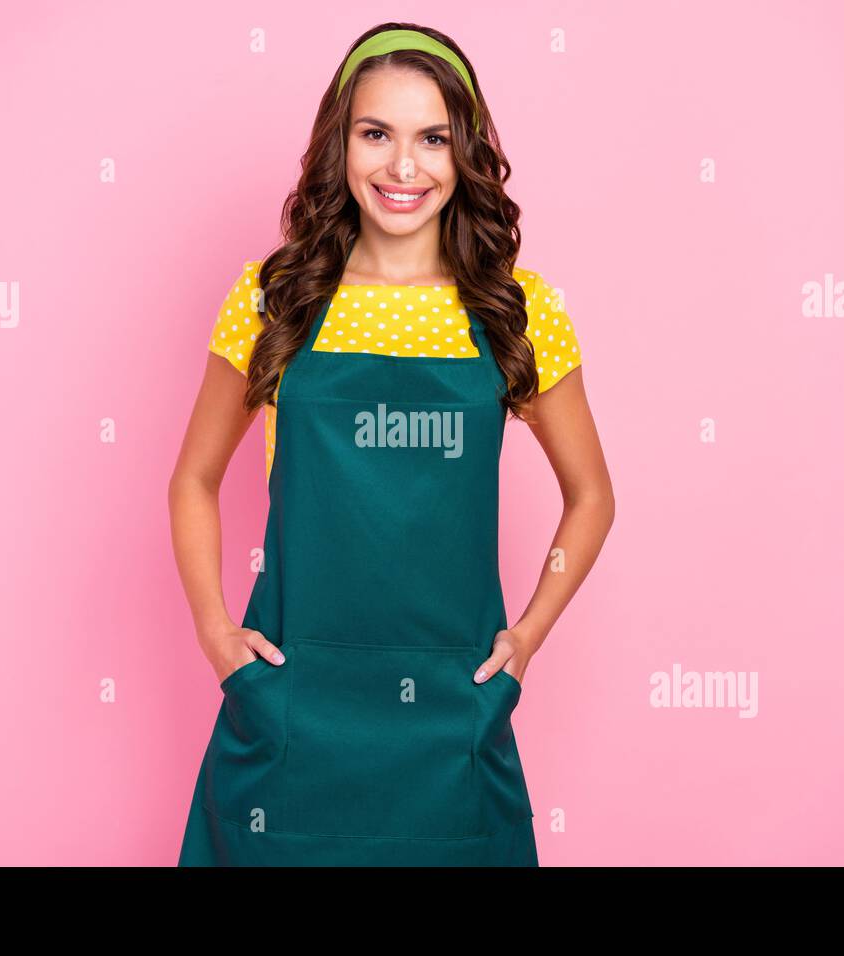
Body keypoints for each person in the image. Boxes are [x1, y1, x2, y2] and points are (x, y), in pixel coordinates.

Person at [169, 22, 614, 866]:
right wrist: (219, 638)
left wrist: (525, 641)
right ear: (340, 143)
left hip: (453, 716)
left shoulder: (516, 309)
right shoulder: (275, 299)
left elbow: (592, 497)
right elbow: (193, 479)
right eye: (376, 134)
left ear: (466, 153)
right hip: (293, 711)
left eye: (432, 139)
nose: (402, 168)